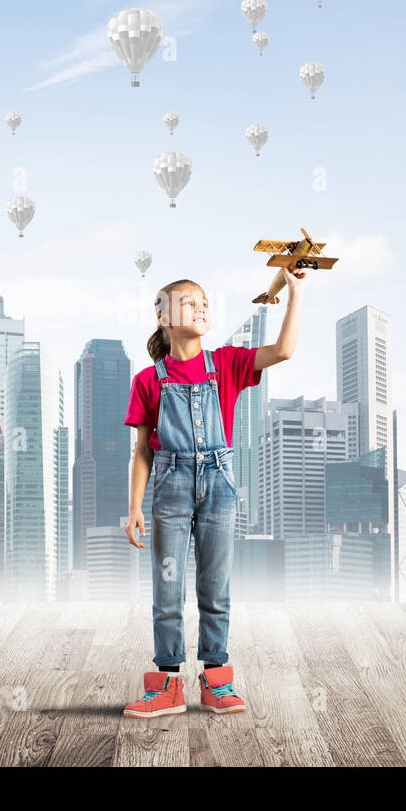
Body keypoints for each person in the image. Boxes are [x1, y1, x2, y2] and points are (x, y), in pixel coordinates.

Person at [122, 269, 306, 717]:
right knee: (167, 588)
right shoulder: (149, 380)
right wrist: (134, 509)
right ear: (163, 317)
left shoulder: (226, 364)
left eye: (204, 301)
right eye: (188, 302)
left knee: (215, 588)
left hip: (219, 486)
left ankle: (216, 681)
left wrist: (295, 292)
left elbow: (283, 350)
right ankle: (166, 685)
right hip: (170, 486)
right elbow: (144, 449)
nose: (200, 307)